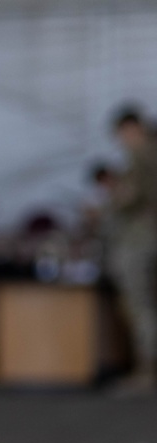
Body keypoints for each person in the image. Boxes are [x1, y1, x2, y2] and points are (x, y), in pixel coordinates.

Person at [107, 105, 157, 391]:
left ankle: (147, 370)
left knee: (139, 305)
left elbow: (130, 197)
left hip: (140, 237)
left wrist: (110, 201)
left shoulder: (141, 154)